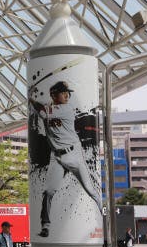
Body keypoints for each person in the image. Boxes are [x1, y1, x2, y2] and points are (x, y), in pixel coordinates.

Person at [30, 81, 102, 238]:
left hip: (74, 154)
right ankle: (45, 226)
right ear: (54, 95)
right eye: (63, 93)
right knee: (48, 192)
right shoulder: (51, 107)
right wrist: (34, 99)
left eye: (67, 93)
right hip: (57, 156)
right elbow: (41, 110)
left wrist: (31, 98)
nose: (67, 95)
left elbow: (43, 111)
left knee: (91, 190)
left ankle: (104, 216)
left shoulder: (66, 108)